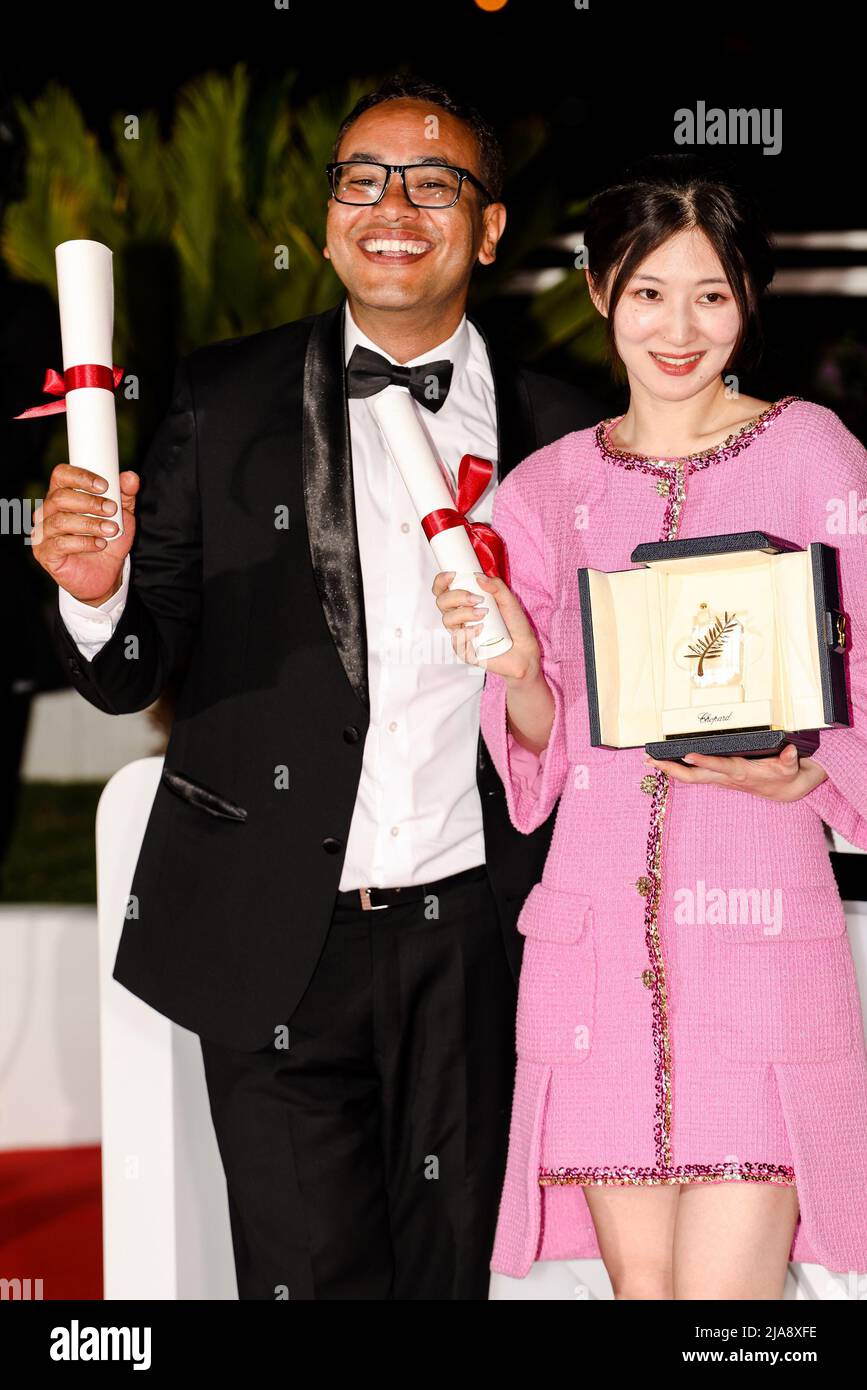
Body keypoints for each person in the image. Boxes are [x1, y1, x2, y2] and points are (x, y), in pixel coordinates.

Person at [30, 76, 599, 1299]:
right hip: (274, 935)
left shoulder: (566, 433)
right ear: (332, 215)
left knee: (451, 1281)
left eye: (434, 179)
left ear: (489, 225)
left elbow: (599, 702)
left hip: (479, 939)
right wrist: (95, 594)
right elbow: (135, 674)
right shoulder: (223, 401)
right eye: (362, 178)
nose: (393, 205)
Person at [435, 152, 867, 1300]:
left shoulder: (815, 456)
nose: (680, 328)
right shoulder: (544, 493)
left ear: (748, 303)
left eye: (712, 295)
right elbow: (536, 735)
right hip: (599, 965)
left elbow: (862, 684)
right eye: (648, 293)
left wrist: (808, 771)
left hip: (759, 948)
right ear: (598, 293)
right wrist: (521, 668)